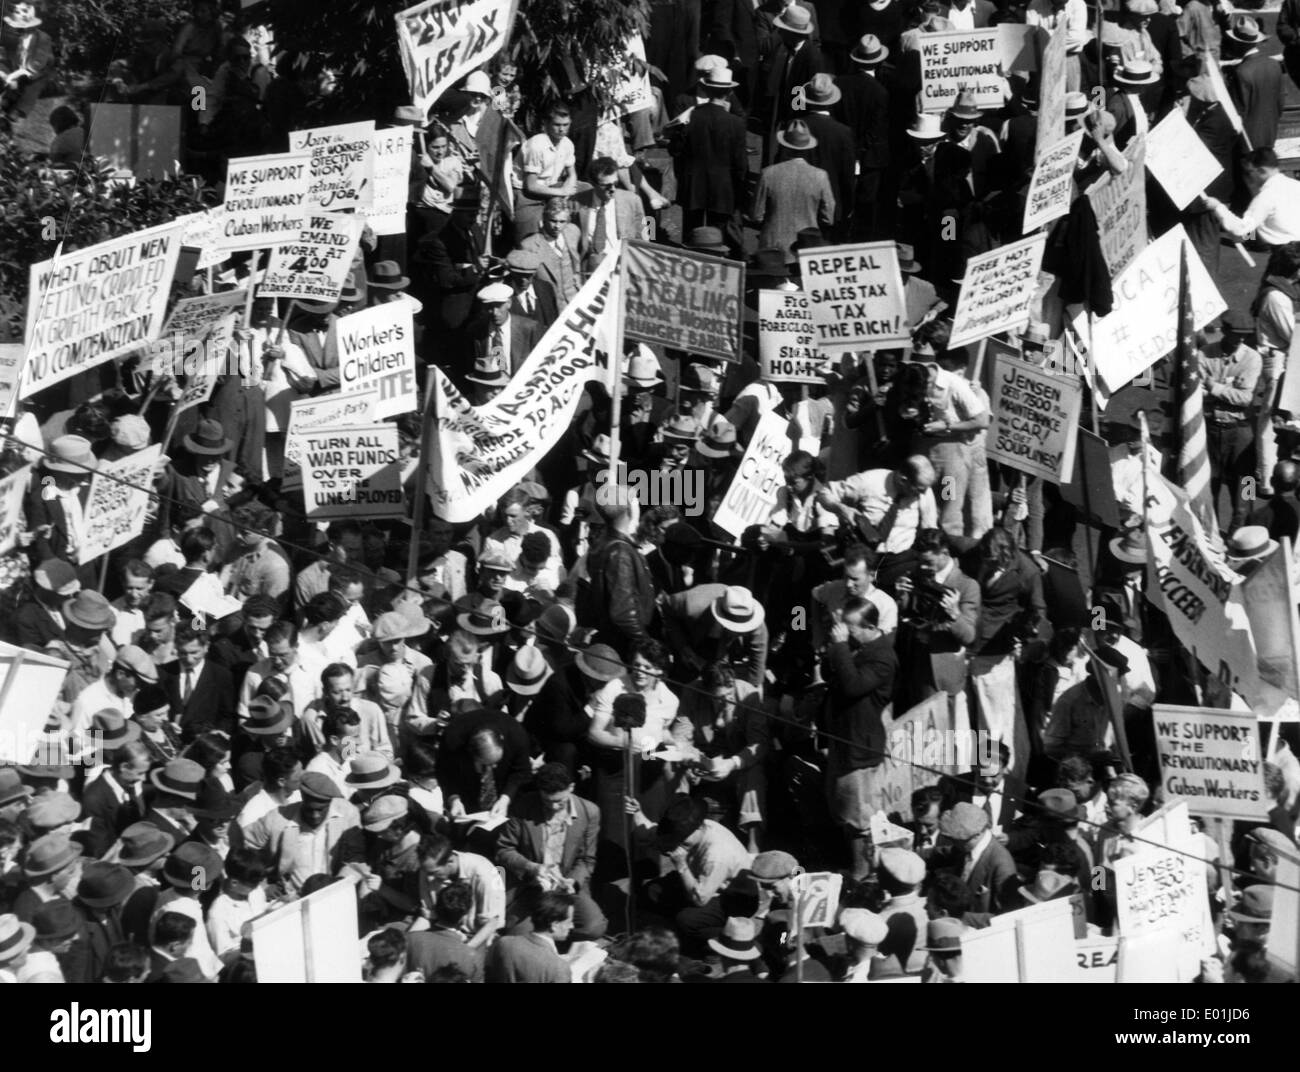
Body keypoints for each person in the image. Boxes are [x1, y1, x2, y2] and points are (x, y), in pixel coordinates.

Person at [823, 598, 898, 878]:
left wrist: (840, 647)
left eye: (850, 628)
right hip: (842, 740)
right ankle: (855, 866)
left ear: (868, 627)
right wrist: (838, 648)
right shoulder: (858, 646)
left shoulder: (882, 656)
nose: (844, 632)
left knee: (858, 817)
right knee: (842, 807)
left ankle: (862, 874)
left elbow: (853, 686)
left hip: (860, 747)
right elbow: (833, 674)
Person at [495, 763, 606, 940]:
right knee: (518, 935)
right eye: (547, 801)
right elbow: (503, 850)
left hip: (566, 887)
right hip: (531, 886)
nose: (553, 807)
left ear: (571, 788)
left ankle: (549, 932)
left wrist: (572, 881)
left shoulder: (590, 812)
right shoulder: (523, 806)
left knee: (594, 928)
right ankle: (548, 932)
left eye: (559, 802)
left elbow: (587, 859)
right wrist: (531, 867)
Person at [484, 890, 575, 983]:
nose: (572, 926)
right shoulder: (559, 968)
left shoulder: (503, 943)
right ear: (554, 925)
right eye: (569, 921)